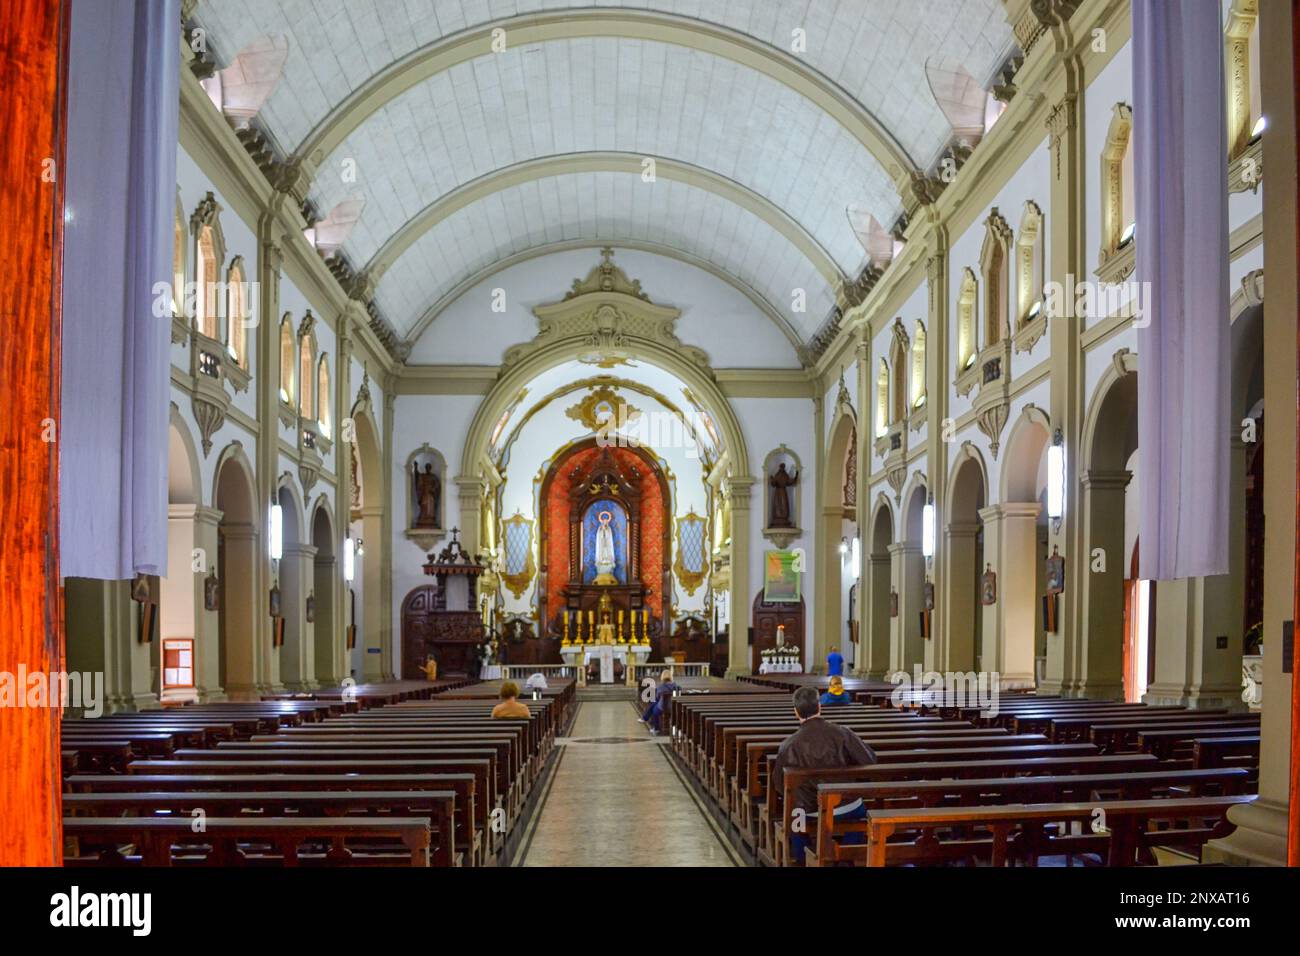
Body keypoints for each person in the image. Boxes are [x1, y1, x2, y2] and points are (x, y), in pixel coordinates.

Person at [771, 686, 876, 865]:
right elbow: (870, 761)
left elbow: (780, 785)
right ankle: (847, 857)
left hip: (809, 810)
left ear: (796, 712)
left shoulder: (789, 745)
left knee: (795, 815)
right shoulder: (843, 733)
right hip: (848, 804)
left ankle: (803, 860)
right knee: (859, 811)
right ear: (820, 707)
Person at [639, 668, 679, 735]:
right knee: (655, 704)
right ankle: (645, 718)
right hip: (674, 706)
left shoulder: (661, 686)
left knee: (655, 711)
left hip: (663, 707)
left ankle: (656, 728)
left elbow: (657, 697)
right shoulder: (676, 686)